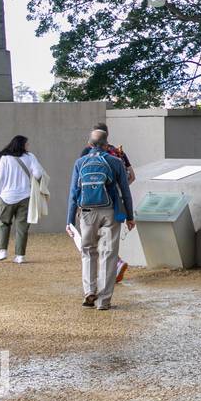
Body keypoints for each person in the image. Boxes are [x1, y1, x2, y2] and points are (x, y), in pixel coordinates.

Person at [67, 128, 134, 312]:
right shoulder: (114, 161)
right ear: (106, 144)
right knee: (109, 253)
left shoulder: (80, 162)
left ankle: (89, 291)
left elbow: (74, 193)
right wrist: (129, 216)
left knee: (88, 251)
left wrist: (69, 221)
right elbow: (125, 192)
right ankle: (103, 300)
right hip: (112, 211)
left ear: (89, 144)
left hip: (87, 212)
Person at [77, 121, 135, 282]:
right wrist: (115, 190)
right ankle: (112, 269)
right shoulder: (118, 152)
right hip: (114, 203)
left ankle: (97, 280)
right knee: (109, 239)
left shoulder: (86, 152)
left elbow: (81, 180)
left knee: (90, 244)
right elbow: (131, 176)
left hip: (90, 203)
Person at [0, 135, 45, 264]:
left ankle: (2, 251)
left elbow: (1, 178)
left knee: (4, 224)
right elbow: (38, 173)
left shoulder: (5, 158)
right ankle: (20, 255)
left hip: (6, 196)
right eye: (27, 144)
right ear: (21, 145)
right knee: (22, 227)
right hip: (25, 196)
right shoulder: (30, 157)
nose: (28, 146)